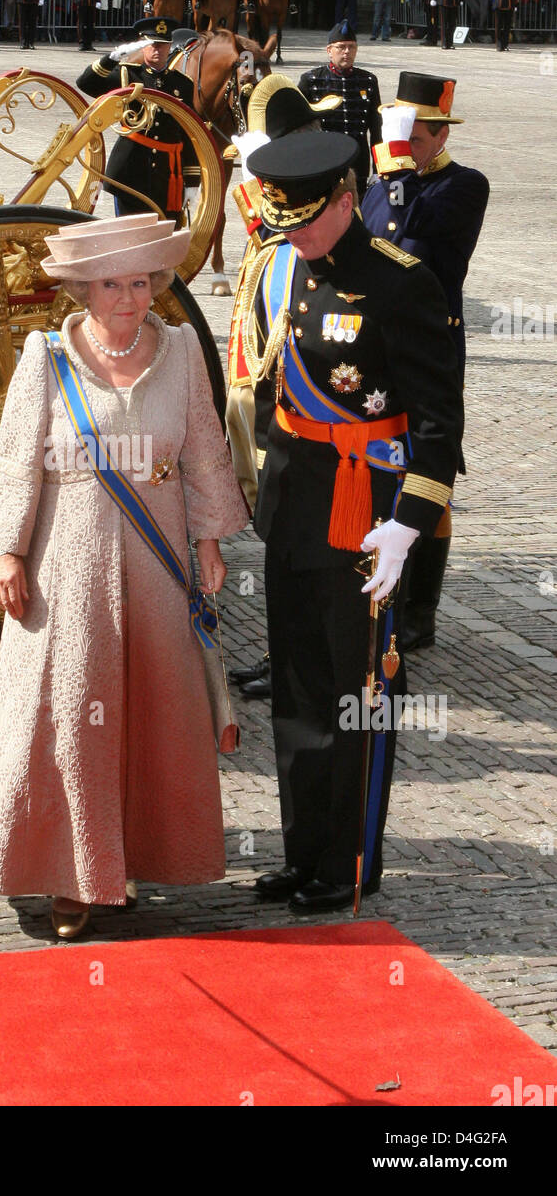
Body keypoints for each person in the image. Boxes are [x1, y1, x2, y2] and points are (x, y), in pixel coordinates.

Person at [0, 216, 249, 938]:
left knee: (150, 717)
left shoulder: (178, 352)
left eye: (140, 282)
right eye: (112, 284)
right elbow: (18, 456)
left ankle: (129, 861)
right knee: (69, 720)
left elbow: (206, 449)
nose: (129, 297)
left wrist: (210, 537)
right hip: (67, 569)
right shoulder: (47, 357)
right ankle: (69, 878)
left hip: (156, 567)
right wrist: (4, 552)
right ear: (84, 290)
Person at [240, 131, 464, 913]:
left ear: (345, 201)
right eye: (283, 223)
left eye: (305, 221)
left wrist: (408, 522)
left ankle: (348, 860)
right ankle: (303, 852)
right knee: (297, 690)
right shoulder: (284, 268)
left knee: (356, 690)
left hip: (365, 514)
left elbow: (439, 424)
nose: (292, 236)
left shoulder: (403, 285)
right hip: (298, 505)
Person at [361, 72, 489, 650]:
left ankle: (420, 611)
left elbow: (417, 234)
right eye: (399, 132)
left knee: (430, 466)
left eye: (414, 133)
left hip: (429, 348)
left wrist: (395, 177)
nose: (404, 143)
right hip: (375, 343)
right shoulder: (380, 182)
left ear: (439, 135)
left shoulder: (463, 185)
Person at [225, 75, 342, 699]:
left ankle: (298, 659)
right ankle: (282, 654)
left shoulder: (311, 179)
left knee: (297, 537)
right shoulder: (284, 175)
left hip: (293, 375)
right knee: (278, 533)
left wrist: (254, 177)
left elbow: (278, 229)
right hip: (261, 367)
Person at [76, 15, 196, 220]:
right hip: (131, 170)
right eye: (152, 45)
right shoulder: (126, 75)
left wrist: (192, 181)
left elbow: (189, 132)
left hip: (168, 175)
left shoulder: (183, 84)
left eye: (163, 45)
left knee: (166, 235)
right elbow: (86, 83)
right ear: (142, 46)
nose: (157, 49)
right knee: (130, 235)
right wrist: (110, 59)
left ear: (170, 47)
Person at [298, 21, 382, 200]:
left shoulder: (368, 80)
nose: (347, 52)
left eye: (351, 47)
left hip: (357, 161)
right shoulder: (311, 80)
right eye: (341, 47)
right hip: (324, 160)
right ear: (329, 50)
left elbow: (376, 129)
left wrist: (378, 169)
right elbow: (299, 128)